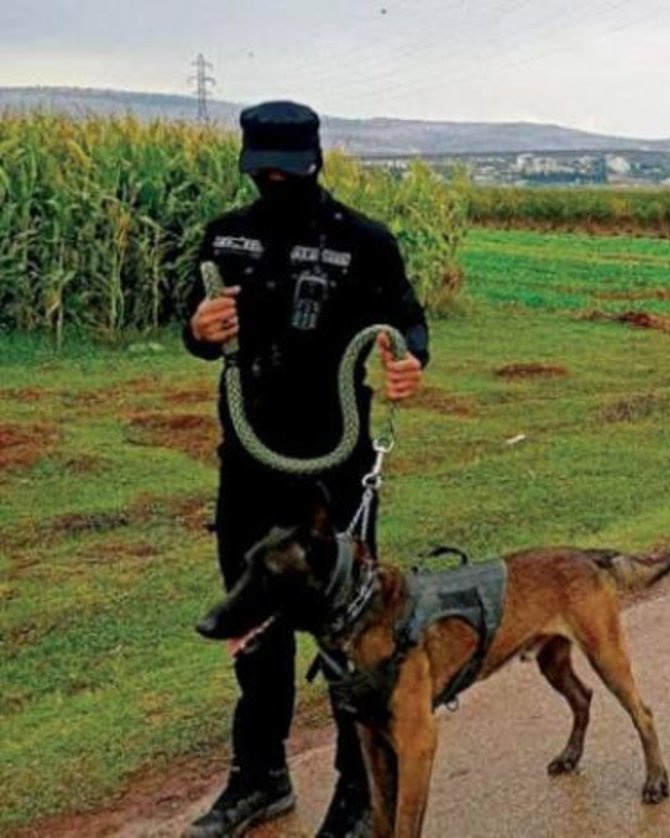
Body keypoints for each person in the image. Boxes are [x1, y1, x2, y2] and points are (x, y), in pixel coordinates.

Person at [182, 101, 430, 838]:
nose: (272, 182)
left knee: (351, 634)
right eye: (260, 170)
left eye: (285, 170)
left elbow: (409, 320)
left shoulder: (364, 241)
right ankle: (260, 778)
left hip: (333, 473)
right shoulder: (225, 235)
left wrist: (409, 360)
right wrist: (198, 329)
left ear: (315, 161)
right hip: (247, 465)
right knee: (256, 633)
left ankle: (358, 790)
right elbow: (192, 321)